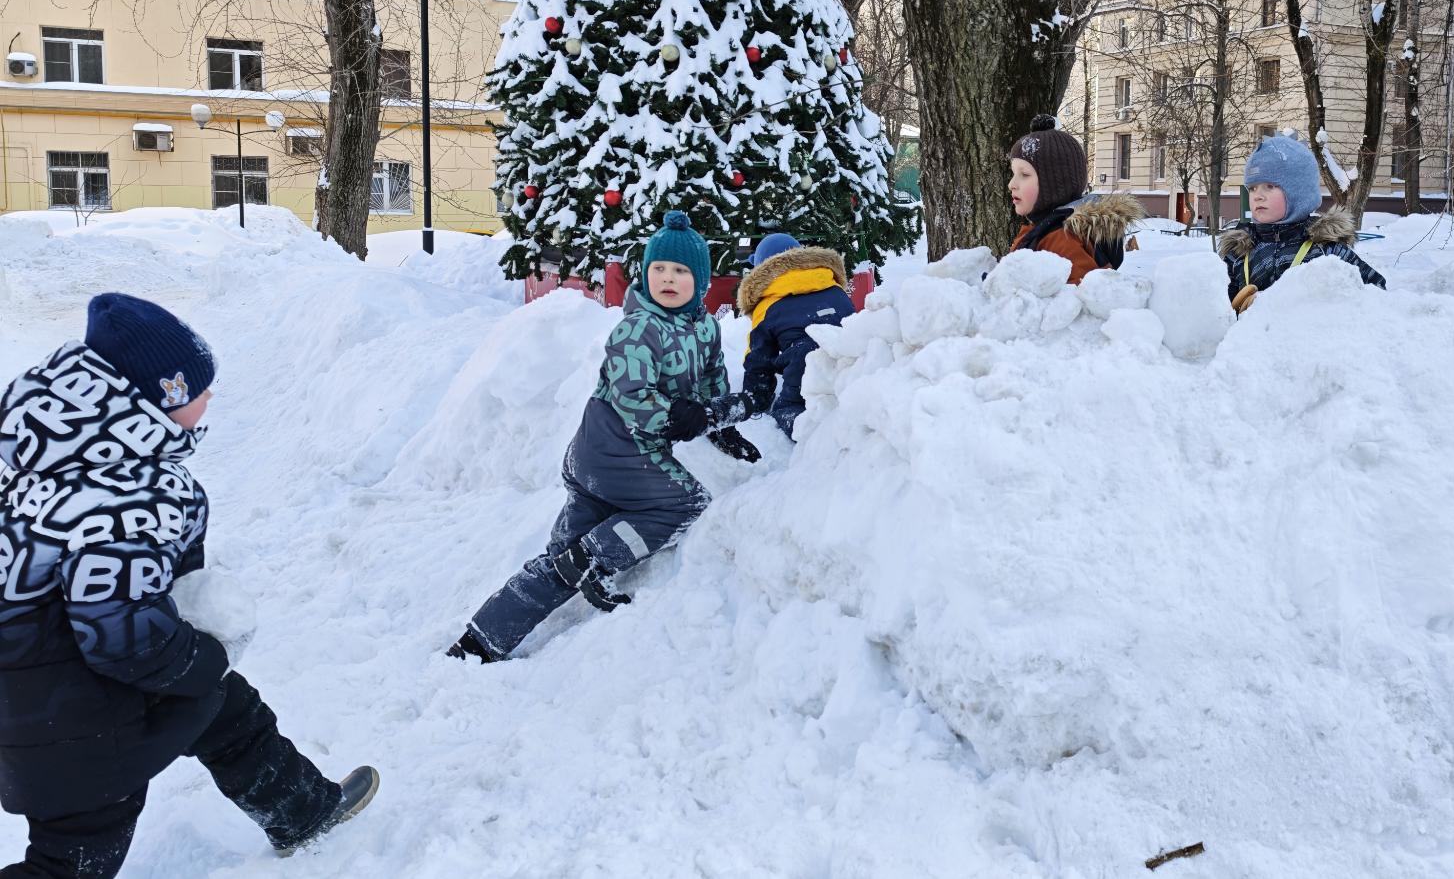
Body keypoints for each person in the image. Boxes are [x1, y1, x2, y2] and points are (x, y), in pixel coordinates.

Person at [0, 294, 376, 877]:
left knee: (224, 703)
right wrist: (204, 655)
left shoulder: (56, 448)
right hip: (67, 710)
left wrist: (204, 670)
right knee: (73, 858)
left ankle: (303, 809)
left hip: (41, 678)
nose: (210, 398)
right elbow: (122, 638)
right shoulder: (128, 494)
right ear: (157, 401)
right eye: (199, 389)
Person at [448, 212, 747, 663]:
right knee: (684, 503)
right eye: (658, 269)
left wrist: (720, 426)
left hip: (608, 458)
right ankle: (598, 556)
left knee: (560, 560)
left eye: (681, 271)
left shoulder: (703, 327)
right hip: (616, 447)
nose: (667, 278)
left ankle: (480, 640)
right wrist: (675, 419)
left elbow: (710, 379)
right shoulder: (638, 328)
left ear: (700, 280)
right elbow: (631, 395)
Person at [1220, 135, 1386, 312]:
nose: (1257, 195)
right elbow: (1214, 315)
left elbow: (1376, 297)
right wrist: (1233, 311)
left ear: (1298, 193)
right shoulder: (1238, 254)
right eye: (1252, 188)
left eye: (1269, 186)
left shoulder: (1327, 250)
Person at [736, 233, 854, 439]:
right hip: (851, 367)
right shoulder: (835, 288)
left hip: (804, 371)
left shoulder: (767, 305)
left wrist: (755, 398)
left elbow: (758, 360)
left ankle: (819, 442)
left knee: (789, 412)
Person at [1007, 114, 1143, 285]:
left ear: (1055, 182)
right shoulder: (1044, 231)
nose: (1011, 184)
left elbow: (1076, 303)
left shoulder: (1062, 241)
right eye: (1014, 174)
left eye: (1024, 174)